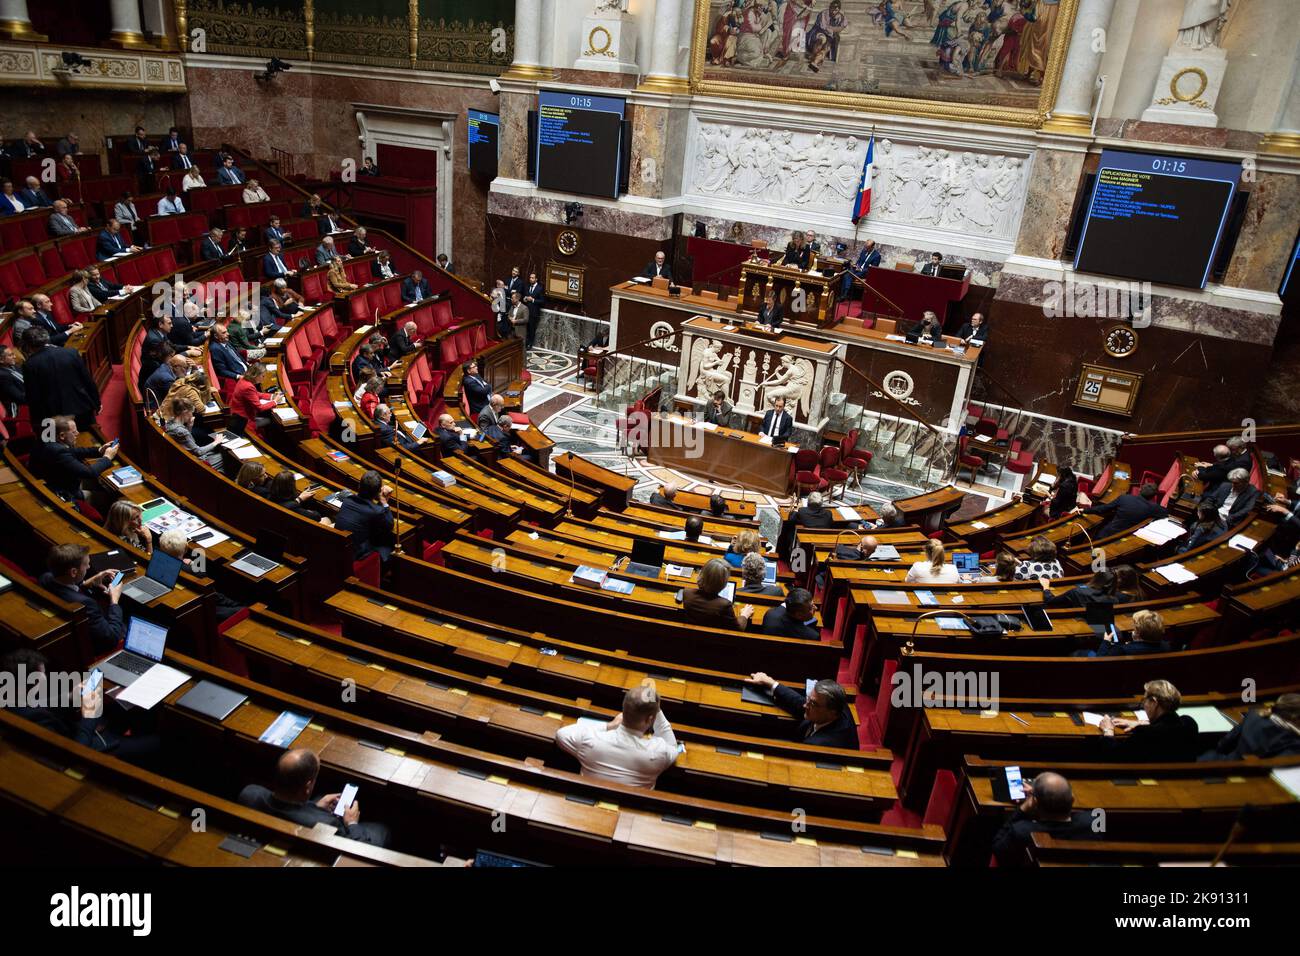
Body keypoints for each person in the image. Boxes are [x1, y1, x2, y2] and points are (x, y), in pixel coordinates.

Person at [1, 648, 159, 761]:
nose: (46, 679)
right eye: (42, 677)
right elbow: (75, 753)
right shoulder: (37, 720)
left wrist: (71, 696)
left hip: (79, 728)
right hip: (87, 747)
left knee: (123, 706)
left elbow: (39, 704)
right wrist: (89, 715)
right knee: (157, 741)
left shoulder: (11, 698)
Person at [238, 748, 389, 846]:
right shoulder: (327, 824)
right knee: (382, 829)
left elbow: (290, 810)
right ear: (308, 786)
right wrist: (351, 823)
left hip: (274, 835)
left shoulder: (250, 793)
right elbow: (356, 851)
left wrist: (314, 807)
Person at [553, 681, 678, 789]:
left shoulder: (591, 740)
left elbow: (561, 734)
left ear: (623, 710)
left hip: (588, 802)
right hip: (633, 811)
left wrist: (608, 726)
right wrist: (656, 709)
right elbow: (673, 747)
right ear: (650, 719)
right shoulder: (658, 751)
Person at [990, 772, 1097, 867]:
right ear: (1072, 800)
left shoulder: (1022, 831)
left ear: (1034, 803)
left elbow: (997, 849)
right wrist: (1051, 796)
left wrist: (1022, 809)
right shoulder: (1094, 823)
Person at [37, 543, 125, 652]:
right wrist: (114, 600)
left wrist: (87, 583)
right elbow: (111, 638)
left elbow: (67, 590)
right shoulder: (86, 604)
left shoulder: (46, 578)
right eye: (86, 564)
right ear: (74, 572)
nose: (89, 567)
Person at [743, 672, 857, 749]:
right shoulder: (834, 705)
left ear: (832, 713)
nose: (805, 705)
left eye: (812, 703)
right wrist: (771, 683)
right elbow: (799, 703)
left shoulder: (818, 745)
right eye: (809, 699)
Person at [1098, 680, 1199, 763]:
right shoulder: (1190, 723)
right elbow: (1169, 724)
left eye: (1145, 700)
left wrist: (1108, 730)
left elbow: (1114, 756)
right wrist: (1141, 722)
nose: (1144, 704)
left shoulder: (1146, 733)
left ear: (1154, 703)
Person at [20, 328, 101, 431]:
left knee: (59, 444)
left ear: (28, 345)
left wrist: (37, 422)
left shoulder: (30, 365)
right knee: (92, 438)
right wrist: (97, 402)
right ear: (47, 338)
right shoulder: (71, 353)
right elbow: (88, 381)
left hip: (53, 415)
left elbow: (34, 396)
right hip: (81, 405)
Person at [29, 416, 119, 501]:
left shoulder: (47, 440)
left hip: (59, 481)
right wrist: (107, 457)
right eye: (74, 432)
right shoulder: (58, 451)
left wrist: (99, 450)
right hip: (65, 492)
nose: (78, 433)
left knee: (101, 484)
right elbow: (88, 473)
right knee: (109, 497)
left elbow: (74, 451)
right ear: (62, 436)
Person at [1201, 694, 1300, 761]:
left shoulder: (1254, 714)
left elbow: (1224, 743)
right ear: (1295, 718)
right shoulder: (1294, 742)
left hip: (1218, 761)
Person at [335, 470, 395, 563]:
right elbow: (390, 525)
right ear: (378, 492)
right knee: (391, 545)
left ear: (359, 486)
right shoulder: (376, 512)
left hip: (338, 547)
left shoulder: (347, 500)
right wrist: (383, 501)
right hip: (355, 556)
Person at [682, 558, 753, 630]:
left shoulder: (687, 593)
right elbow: (739, 629)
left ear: (701, 574)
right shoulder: (724, 605)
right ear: (723, 583)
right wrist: (744, 615)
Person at [1083, 482, 1168, 539]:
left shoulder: (1124, 498)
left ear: (1140, 489)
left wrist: (1085, 510)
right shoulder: (1153, 508)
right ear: (1153, 497)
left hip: (1107, 534)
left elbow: (1103, 509)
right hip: (1126, 538)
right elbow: (1166, 513)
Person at [163, 398, 225, 472]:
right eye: (191, 412)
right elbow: (198, 452)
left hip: (184, 458)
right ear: (185, 412)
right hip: (193, 463)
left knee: (214, 451)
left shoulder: (170, 422)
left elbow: (185, 441)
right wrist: (216, 442)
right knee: (224, 457)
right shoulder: (180, 431)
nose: (192, 415)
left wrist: (189, 426)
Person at [230, 364, 278, 432]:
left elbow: (254, 393)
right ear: (256, 375)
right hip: (244, 421)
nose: (264, 378)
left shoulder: (243, 380)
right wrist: (275, 402)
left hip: (237, 416)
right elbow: (260, 408)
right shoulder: (248, 386)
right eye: (263, 376)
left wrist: (271, 396)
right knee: (272, 422)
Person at [1041, 569, 1118, 610]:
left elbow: (1050, 601)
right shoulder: (1114, 600)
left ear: (1096, 578)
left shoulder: (1077, 592)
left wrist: (1046, 587)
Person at [0, 345, 25, 418]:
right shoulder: (2, 376)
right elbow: (19, 398)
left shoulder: (13, 366)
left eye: (13, 354)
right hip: (18, 409)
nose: (14, 357)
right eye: (10, 355)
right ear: (1, 360)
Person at [523, 272, 544, 349]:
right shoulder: (527, 286)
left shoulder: (540, 288)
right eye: (530, 278)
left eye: (532, 278)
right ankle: (525, 342)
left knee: (532, 328)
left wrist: (533, 300)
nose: (531, 279)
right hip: (526, 311)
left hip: (534, 312)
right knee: (526, 328)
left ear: (536, 279)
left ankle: (530, 344)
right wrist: (524, 299)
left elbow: (542, 301)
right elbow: (523, 296)